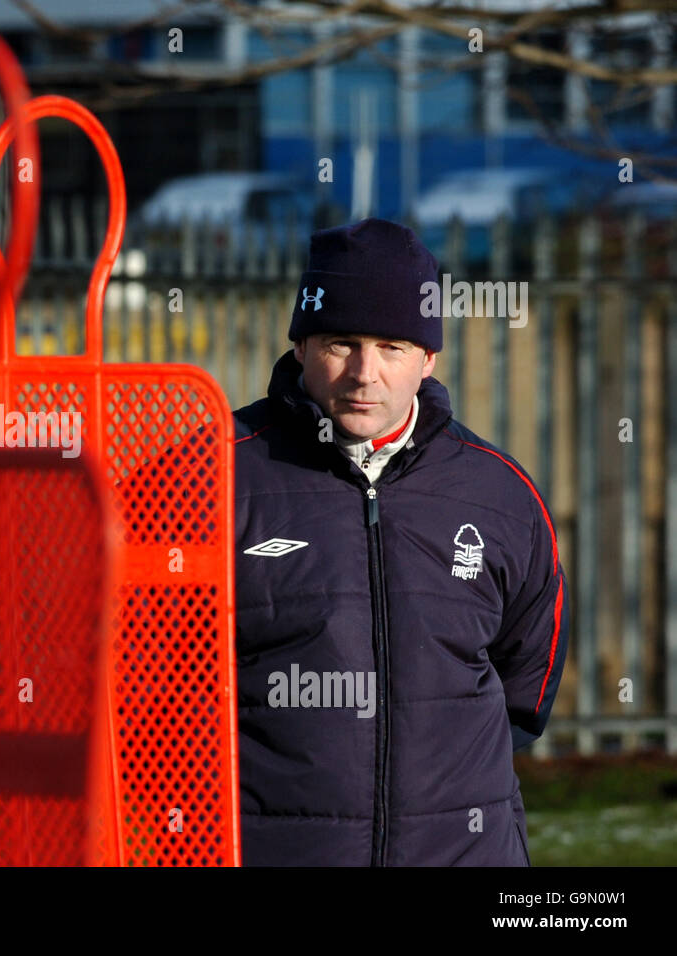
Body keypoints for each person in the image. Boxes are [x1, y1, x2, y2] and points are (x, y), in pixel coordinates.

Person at [232, 217, 567, 865]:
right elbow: (147, 685)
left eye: (392, 346)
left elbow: (524, 692)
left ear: (429, 357)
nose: (365, 373)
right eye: (341, 343)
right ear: (300, 346)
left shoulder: (500, 495)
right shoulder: (207, 479)